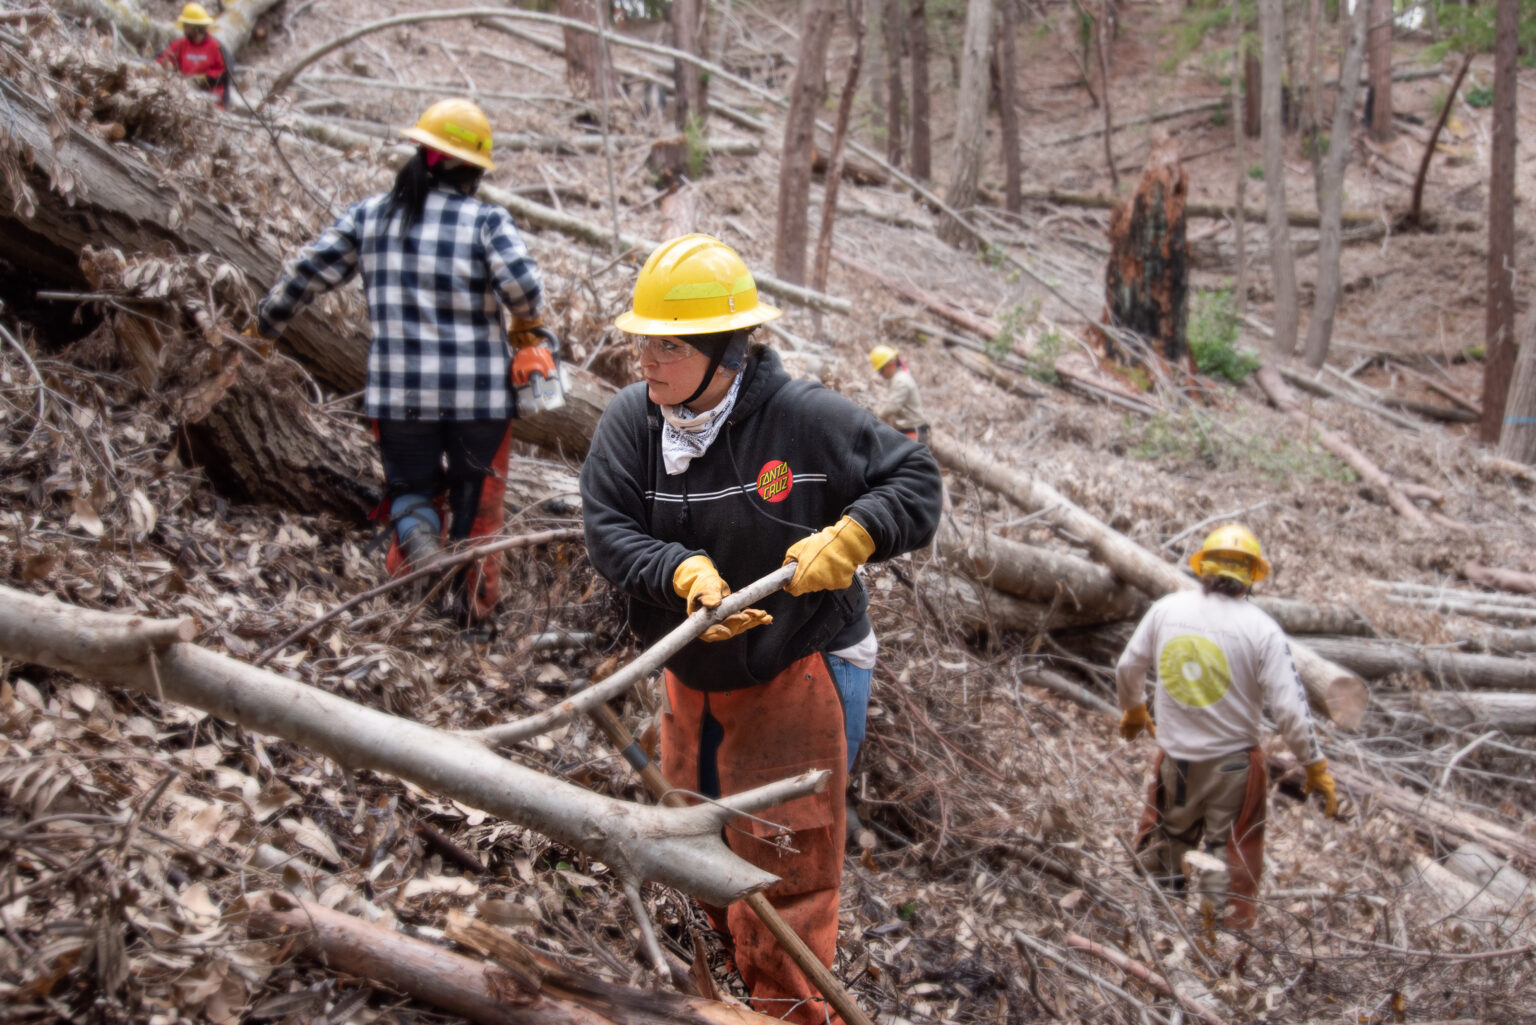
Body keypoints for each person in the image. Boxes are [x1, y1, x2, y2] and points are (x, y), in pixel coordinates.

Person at [580, 235, 943, 1024]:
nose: (645, 356)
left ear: (723, 352)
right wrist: (677, 570)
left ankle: (791, 1009)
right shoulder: (632, 423)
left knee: (785, 861)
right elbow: (606, 526)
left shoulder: (802, 420)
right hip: (696, 674)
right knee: (696, 839)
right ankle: (725, 991)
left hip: (800, 664)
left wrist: (856, 533)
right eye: (641, 337)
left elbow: (915, 479)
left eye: (667, 343)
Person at [255, 98, 549, 632]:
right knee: (476, 509)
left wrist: (264, 328)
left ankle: (418, 541)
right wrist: (526, 325)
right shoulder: (485, 221)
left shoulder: (370, 216)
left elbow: (306, 273)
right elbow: (525, 289)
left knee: (411, 489)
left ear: (422, 154)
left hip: (399, 398)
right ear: (474, 171)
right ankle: (472, 622)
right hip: (478, 400)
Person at [1116, 524, 1338, 929]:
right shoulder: (1262, 629)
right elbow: (1290, 709)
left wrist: (1133, 707)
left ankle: (1156, 927)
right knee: (1228, 857)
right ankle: (1218, 939)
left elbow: (1128, 666)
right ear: (1252, 575)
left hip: (1176, 760)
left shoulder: (1168, 609)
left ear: (1204, 566)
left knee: (1167, 843)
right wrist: (1314, 764)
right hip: (1233, 769)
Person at [156, 4, 232, 109]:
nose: (184, 29)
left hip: (211, 100)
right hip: (185, 95)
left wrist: (204, 78)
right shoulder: (180, 44)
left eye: (186, 26)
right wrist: (161, 66)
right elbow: (162, 59)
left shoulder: (216, 47)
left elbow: (225, 72)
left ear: (196, 28)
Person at [868, 345, 928, 444]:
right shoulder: (898, 378)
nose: (881, 374)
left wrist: (874, 415)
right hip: (907, 430)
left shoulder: (900, 381)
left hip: (912, 431)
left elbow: (891, 407)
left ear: (889, 365)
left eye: (880, 371)